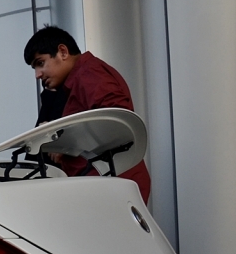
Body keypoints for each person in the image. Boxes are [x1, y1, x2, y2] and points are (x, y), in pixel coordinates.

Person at [24, 26, 151, 202]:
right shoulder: (81, 78)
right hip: (107, 185)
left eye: (40, 63)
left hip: (112, 187)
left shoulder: (89, 73)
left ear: (62, 52)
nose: (37, 75)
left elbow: (117, 124)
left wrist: (64, 140)